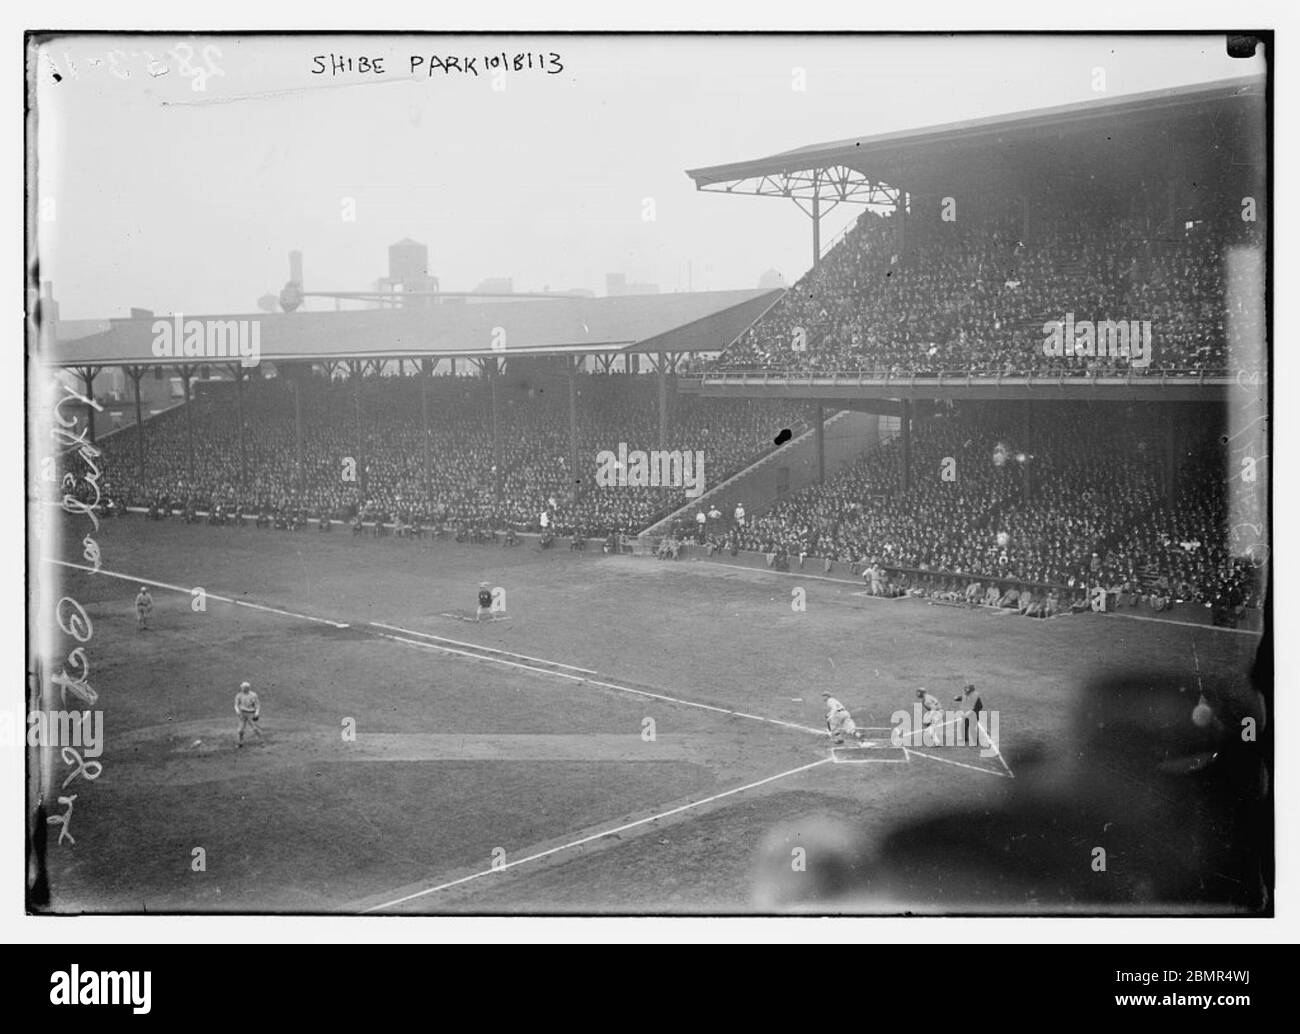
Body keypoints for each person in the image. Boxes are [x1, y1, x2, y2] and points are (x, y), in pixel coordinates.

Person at [953, 683, 986, 747]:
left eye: (968, 691)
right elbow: (963, 697)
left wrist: (972, 712)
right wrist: (957, 698)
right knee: (964, 726)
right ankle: (965, 738)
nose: (966, 692)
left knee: (972, 728)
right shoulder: (967, 695)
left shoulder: (976, 698)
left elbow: (980, 706)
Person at [234, 681, 264, 747]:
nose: (242, 688)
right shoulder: (239, 695)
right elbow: (236, 705)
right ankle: (240, 743)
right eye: (242, 687)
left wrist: (257, 712)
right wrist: (237, 711)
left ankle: (261, 742)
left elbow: (257, 705)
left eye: (243, 687)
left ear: (247, 688)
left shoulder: (253, 695)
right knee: (240, 730)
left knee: (255, 728)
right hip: (242, 714)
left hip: (251, 713)